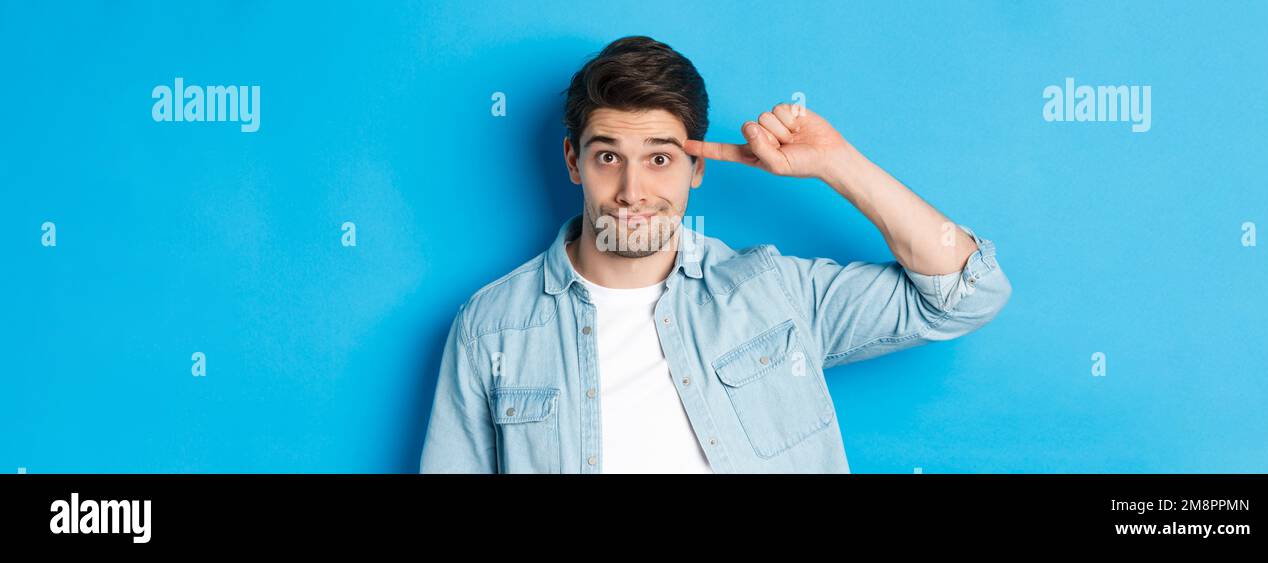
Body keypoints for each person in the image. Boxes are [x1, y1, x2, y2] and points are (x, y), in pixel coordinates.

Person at [419, 35, 1011, 473]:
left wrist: (836, 163)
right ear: (573, 161)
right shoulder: (491, 329)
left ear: (695, 167)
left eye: (659, 158)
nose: (632, 191)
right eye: (607, 157)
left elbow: (966, 292)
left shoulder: (773, 292)